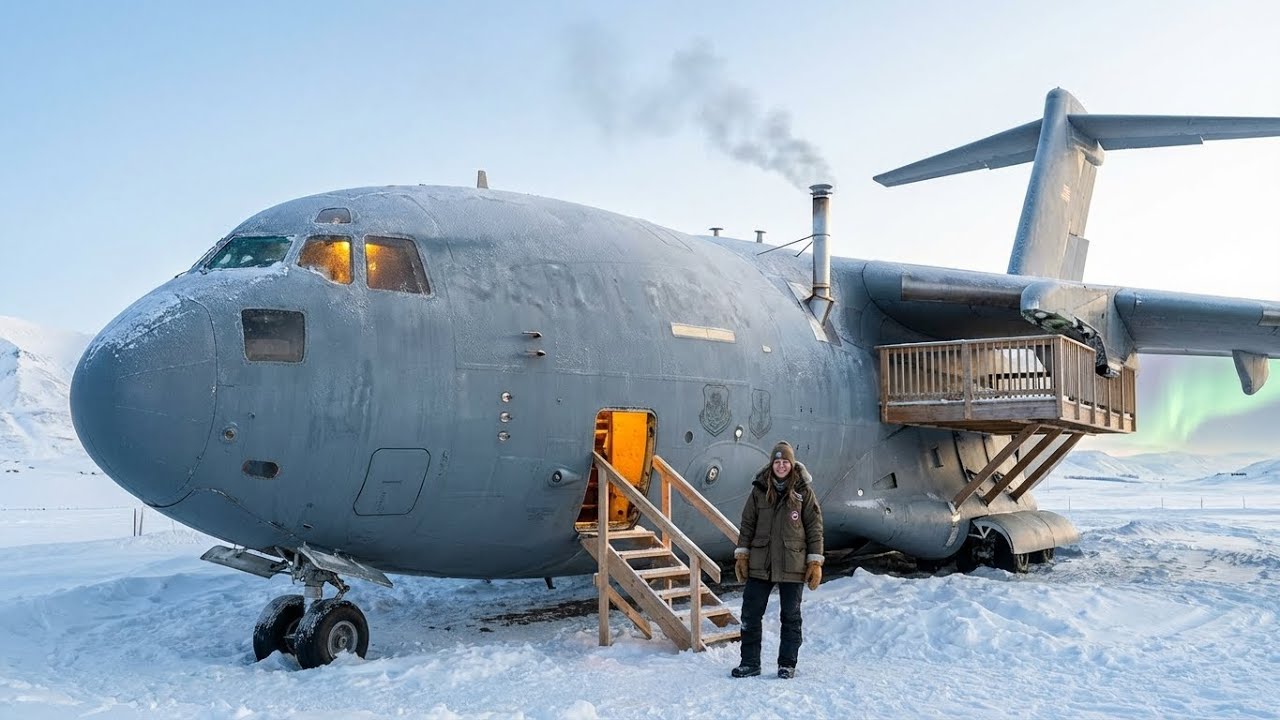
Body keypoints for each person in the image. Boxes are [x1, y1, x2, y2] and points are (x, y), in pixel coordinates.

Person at [731, 441, 824, 679]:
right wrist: (742, 554)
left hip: (793, 563)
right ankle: (750, 663)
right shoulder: (759, 490)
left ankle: (787, 664)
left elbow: (814, 528)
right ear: (772, 464)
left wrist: (814, 562)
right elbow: (747, 524)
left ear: (791, 465)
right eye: (777, 461)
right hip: (761, 563)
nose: (781, 466)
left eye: (785, 462)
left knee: (790, 616)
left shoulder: (803, 492)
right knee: (750, 614)